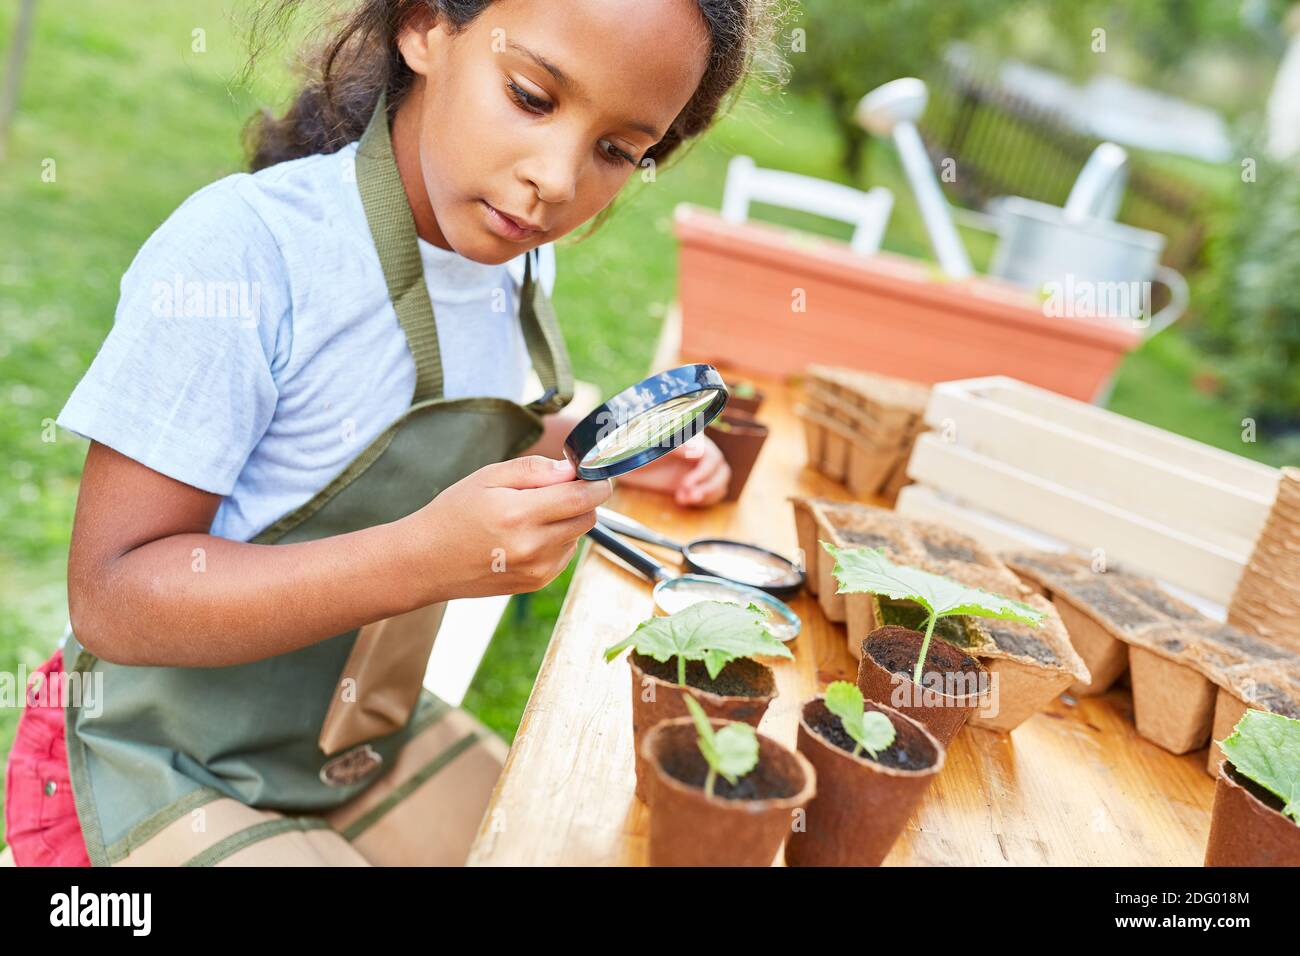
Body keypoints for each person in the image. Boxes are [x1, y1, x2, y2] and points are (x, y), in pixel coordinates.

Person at [3, 0, 781, 866]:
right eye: (531, 96)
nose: (558, 180)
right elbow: (111, 599)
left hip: (347, 730)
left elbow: (402, 440)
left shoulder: (512, 257)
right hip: (148, 758)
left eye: (616, 150)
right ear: (422, 28)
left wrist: (585, 446)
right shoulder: (244, 257)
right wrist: (421, 559)